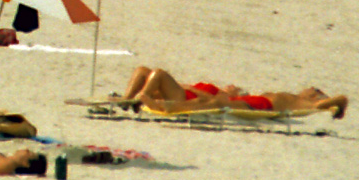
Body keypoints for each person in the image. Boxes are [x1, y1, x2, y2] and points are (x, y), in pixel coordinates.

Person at [119, 66, 347, 119]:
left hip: (259, 106)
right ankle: (129, 99)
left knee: (216, 104)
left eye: (315, 91)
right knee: (144, 70)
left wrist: (337, 104)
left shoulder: (297, 102)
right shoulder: (285, 96)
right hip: (253, 102)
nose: (310, 89)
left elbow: (331, 102)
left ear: (314, 96)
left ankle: (160, 104)